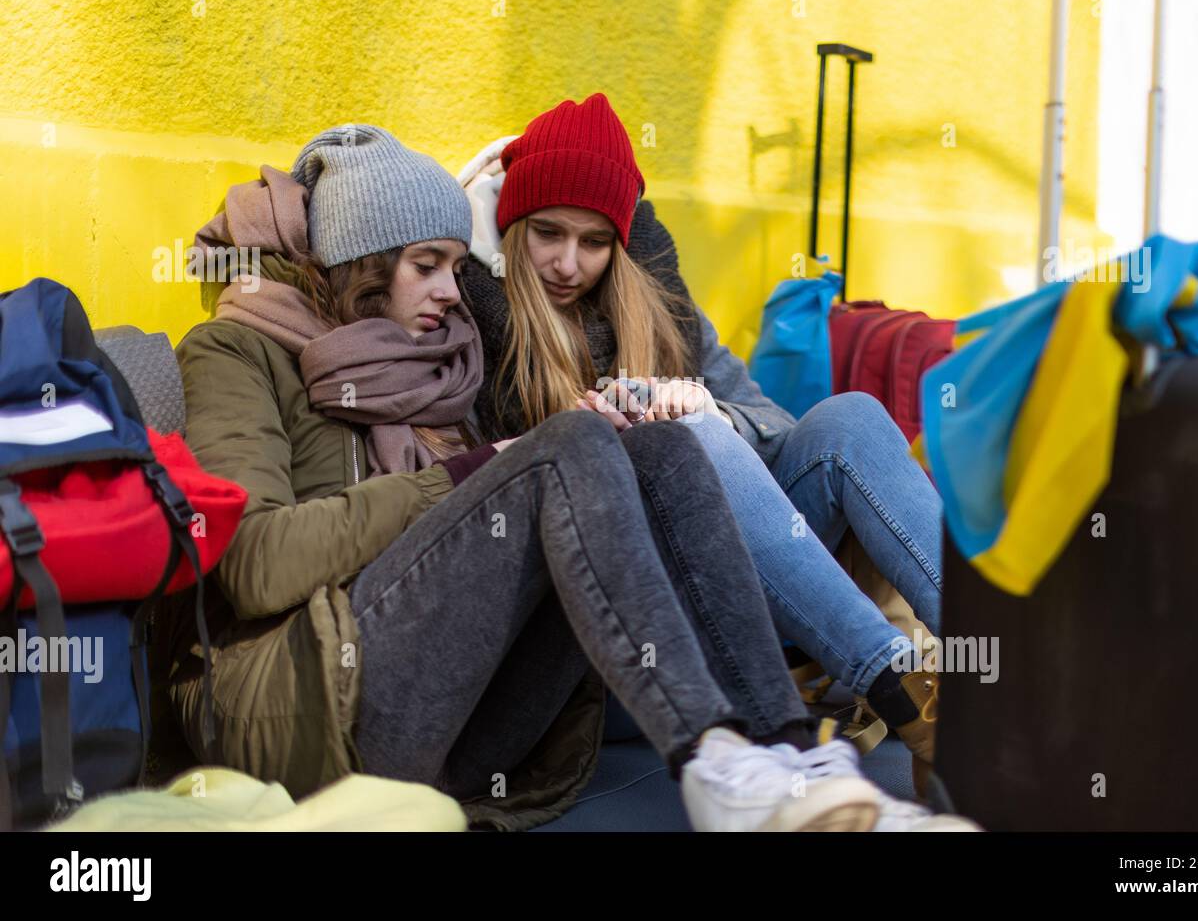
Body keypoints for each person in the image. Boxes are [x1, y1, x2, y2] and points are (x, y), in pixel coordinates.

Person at [158, 123, 966, 832]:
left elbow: (763, 430)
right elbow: (255, 564)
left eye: (453, 262)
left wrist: (690, 416)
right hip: (317, 699)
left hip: (486, 704)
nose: (453, 289)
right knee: (572, 441)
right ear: (362, 267)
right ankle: (729, 756)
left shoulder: (439, 359)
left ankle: (787, 753)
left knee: (667, 442)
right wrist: (487, 467)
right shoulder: (236, 352)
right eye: (428, 265)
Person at [459, 94, 948, 796]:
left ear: (620, 244)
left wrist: (711, 409)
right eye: (548, 234)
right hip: (627, 648)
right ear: (512, 224)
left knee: (851, 417)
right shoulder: (472, 316)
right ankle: (907, 693)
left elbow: (771, 422)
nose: (568, 263)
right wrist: (574, 437)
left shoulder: (659, 306)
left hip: (753, 591)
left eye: (594, 242)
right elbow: (471, 502)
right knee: (681, 439)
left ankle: (990, 670)